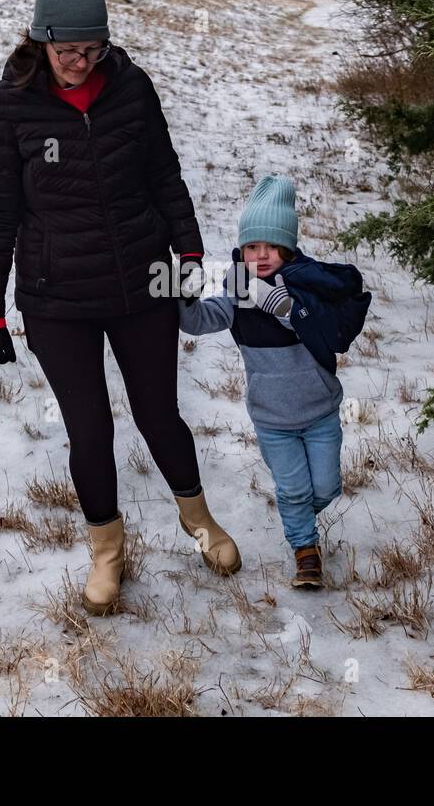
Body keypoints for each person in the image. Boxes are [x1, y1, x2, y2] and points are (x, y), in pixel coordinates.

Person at [0, 0, 240, 616]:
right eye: (69, 48)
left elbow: (165, 176)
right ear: (42, 39)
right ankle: (108, 555)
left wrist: (189, 254)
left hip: (143, 281)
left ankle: (199, 522)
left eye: (93, 47)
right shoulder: (8, 109)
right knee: (89, 432)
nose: (81, 61)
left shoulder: (132, 88)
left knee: (159, 415)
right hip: (56, 298)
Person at [178, 175, 371, 588]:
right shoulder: (237, 295)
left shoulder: (307, 286)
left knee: (327, 487)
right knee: (295, 490)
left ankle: (298, 511)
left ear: (287, 248)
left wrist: (284, 306)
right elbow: (199, 320)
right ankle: (305, 551)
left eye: (270, 247)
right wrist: (182, 296)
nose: (261, 255)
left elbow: (328, 330)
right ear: (241, 249)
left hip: (320, 413)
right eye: (251, 247)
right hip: (272, 420)